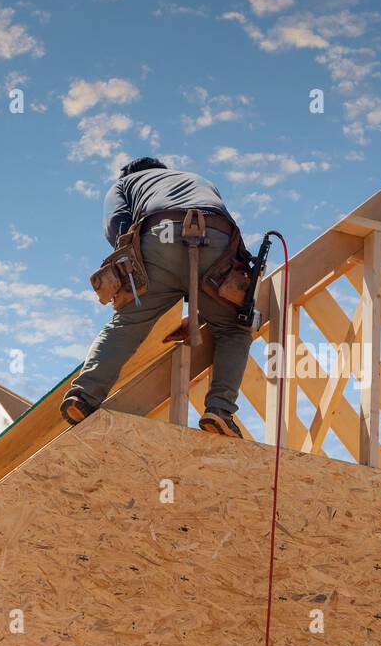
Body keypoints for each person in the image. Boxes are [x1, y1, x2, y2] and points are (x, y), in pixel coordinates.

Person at [60, 157, 251, 438]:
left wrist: (132, 264)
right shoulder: (197, 178)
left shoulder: (125, 183)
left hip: (159, 235)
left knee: (126, 324)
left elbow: (116, 224)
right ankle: (220, 411)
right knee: (234, 329)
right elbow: (203, 254)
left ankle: (84, 396)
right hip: (216, 235)